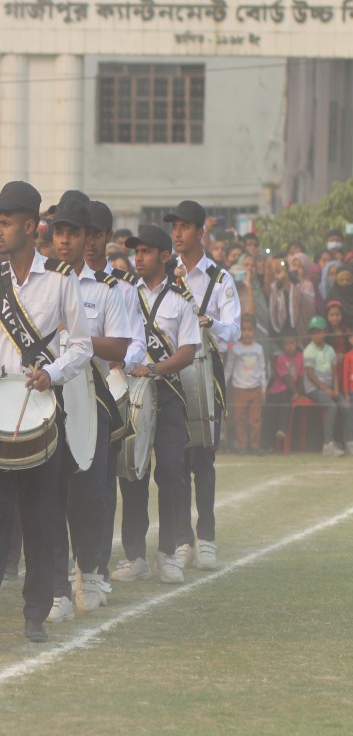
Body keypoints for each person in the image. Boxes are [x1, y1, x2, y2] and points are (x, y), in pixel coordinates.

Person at [0, 181, 92, 645]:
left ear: (31, 227)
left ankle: (35, 613)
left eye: (6, 222)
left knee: (39, 516)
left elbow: (82, 346)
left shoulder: (60, 278)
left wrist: (52, 373)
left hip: (43, 412)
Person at [46, 198, 130, 623]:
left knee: (90, 494)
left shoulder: (107, 289)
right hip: (47, 395)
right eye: (58, 232)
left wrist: (77, 338)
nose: (65, 240)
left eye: (74, 233)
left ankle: (89, 569)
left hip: (93, 396)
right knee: (50, 494)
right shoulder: (39, 282)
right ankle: (57, 586)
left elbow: (119, 346)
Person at [112, 226, 200, 585]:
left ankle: (168, 553)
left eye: (147, 251)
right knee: (132, 473)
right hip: (132, 392)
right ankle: (135, 556)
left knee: (171, 472)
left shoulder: (181, 299)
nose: (139, 257)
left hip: (168, 393)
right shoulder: (123, 293)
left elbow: (188, 350)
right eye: (137, 251)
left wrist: (154, 369)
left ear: (165, 256)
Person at [169, 200, 240, 572]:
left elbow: (234, 330)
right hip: (173, 375)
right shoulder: (167, 273)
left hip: (207, 373)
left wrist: (209, 321)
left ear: (201, 232)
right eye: (174, 227)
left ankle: (207, 538)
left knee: (203, 461)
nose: (177, 233)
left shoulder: (219, 278)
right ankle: (182, 540)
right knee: (176, 461)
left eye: (184, 227)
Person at [83, 200, 146, 586]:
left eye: (95, 235)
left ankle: (98, 564)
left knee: (102, 484)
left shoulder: (122, 287)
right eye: (83, 233)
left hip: (106, 391)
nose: (88, 242)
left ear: (108, 237)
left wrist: (124, 359)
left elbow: (137, 340)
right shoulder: (60, 281)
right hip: (66, 391)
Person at [303, 315, 353, 456]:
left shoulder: (330, 350)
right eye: (314, 332)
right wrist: (325, 389)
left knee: (346, 407)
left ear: (325, 332)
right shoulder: (309, 350)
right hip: (314, 389)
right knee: (331, 407)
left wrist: (335, 389)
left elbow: (334, 372)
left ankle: (349, 443)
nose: (317, 335)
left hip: (329, 388)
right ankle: (328, 445)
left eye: (319, 332)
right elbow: (310, 374)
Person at [225, 314, 267, 454]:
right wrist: (223, 384)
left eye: (250, 330)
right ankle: (242, 445)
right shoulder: (235, 348)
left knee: (255, 420)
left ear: (255, 331)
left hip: (255, 388)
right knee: (239, 418)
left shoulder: (258, 349)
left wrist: (263, 388)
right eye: (243, 330)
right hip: (239, 389)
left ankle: (255, 446)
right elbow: (229, 368)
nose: (247, 333)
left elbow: (262, 369)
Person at [265, 330, 303, 448]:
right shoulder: (280, 358)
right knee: (282, 401)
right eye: (286, 344)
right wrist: (295, 392)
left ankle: (282, 430)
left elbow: (301, 376)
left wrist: (300, 393)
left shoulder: (301, 357)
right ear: (283, 345)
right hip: (278, 390)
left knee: (288, 400)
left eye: (292, 343)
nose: (289, 346)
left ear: (297, 344)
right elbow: (285, 377)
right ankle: (280, 430)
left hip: (291, 391)